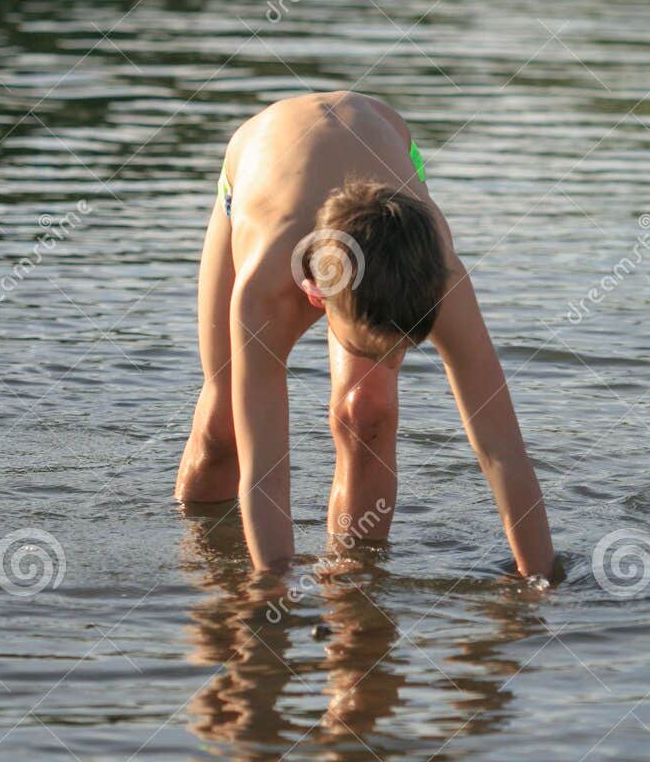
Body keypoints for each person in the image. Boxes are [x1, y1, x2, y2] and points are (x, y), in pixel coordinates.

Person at [174, 91, 554, 577]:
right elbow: (265, 471)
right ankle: (207, 561)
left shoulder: (442, 276)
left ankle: (354, 584)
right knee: (226, 420)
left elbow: (502, 449)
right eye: (376, 347)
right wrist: (272, 592)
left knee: (368, 411)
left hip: (378, 140)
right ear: (316, 296)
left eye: (402, 349)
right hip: (256, 165)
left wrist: (540, 578)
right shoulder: (263, 288)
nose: (392, 361)